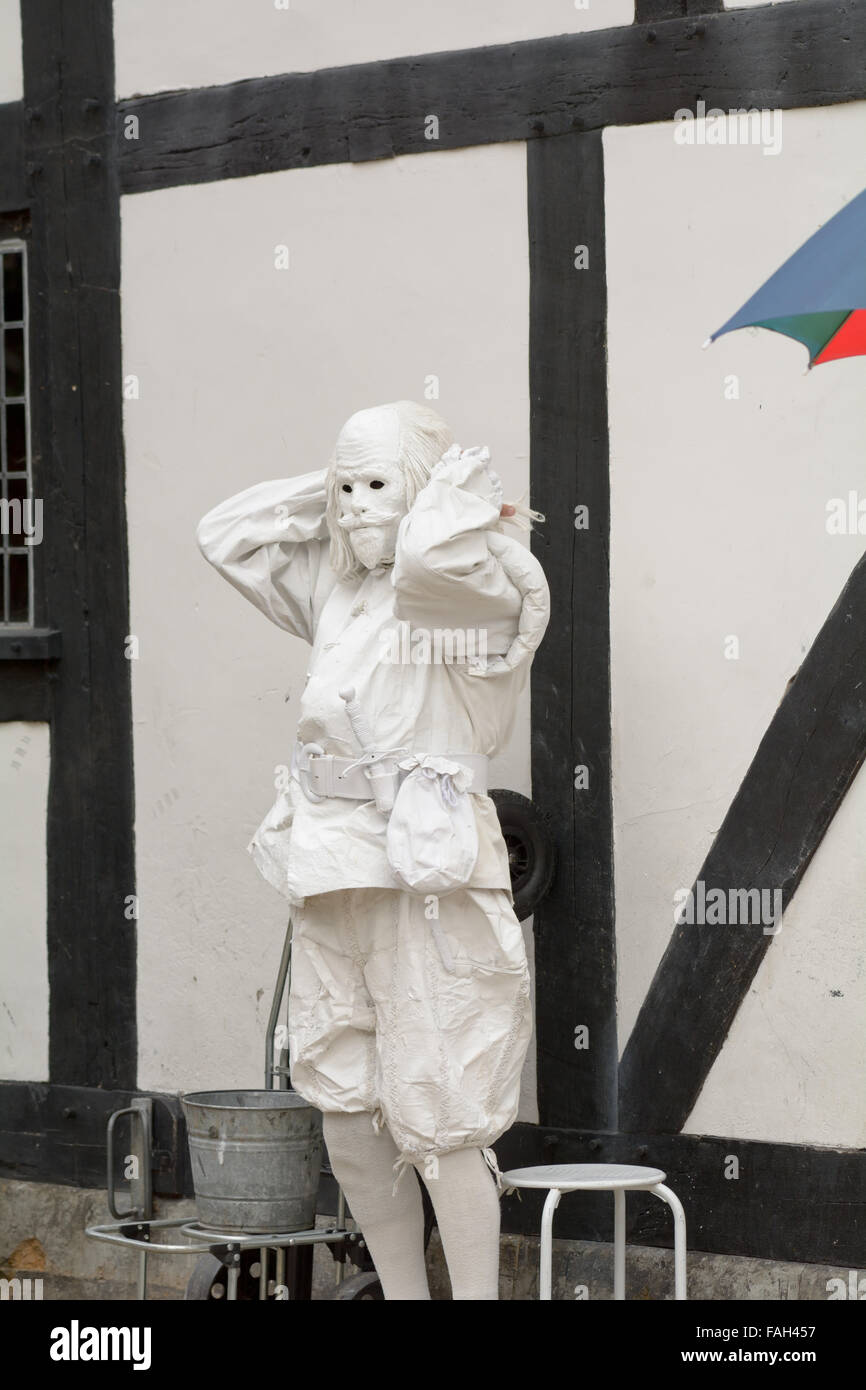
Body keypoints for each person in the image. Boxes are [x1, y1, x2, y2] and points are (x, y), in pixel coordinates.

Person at [196, 401, 550, 1299]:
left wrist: (444, 510)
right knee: (347, 1113)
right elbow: (226, 536)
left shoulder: (479, 582)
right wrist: (336, 498)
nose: (354, 505)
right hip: (332, 867)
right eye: (343, 484)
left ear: (425, 490)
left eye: (375, 483)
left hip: (424, 873)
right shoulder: (338, 590)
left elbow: (437, 568)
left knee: (442, 1115)